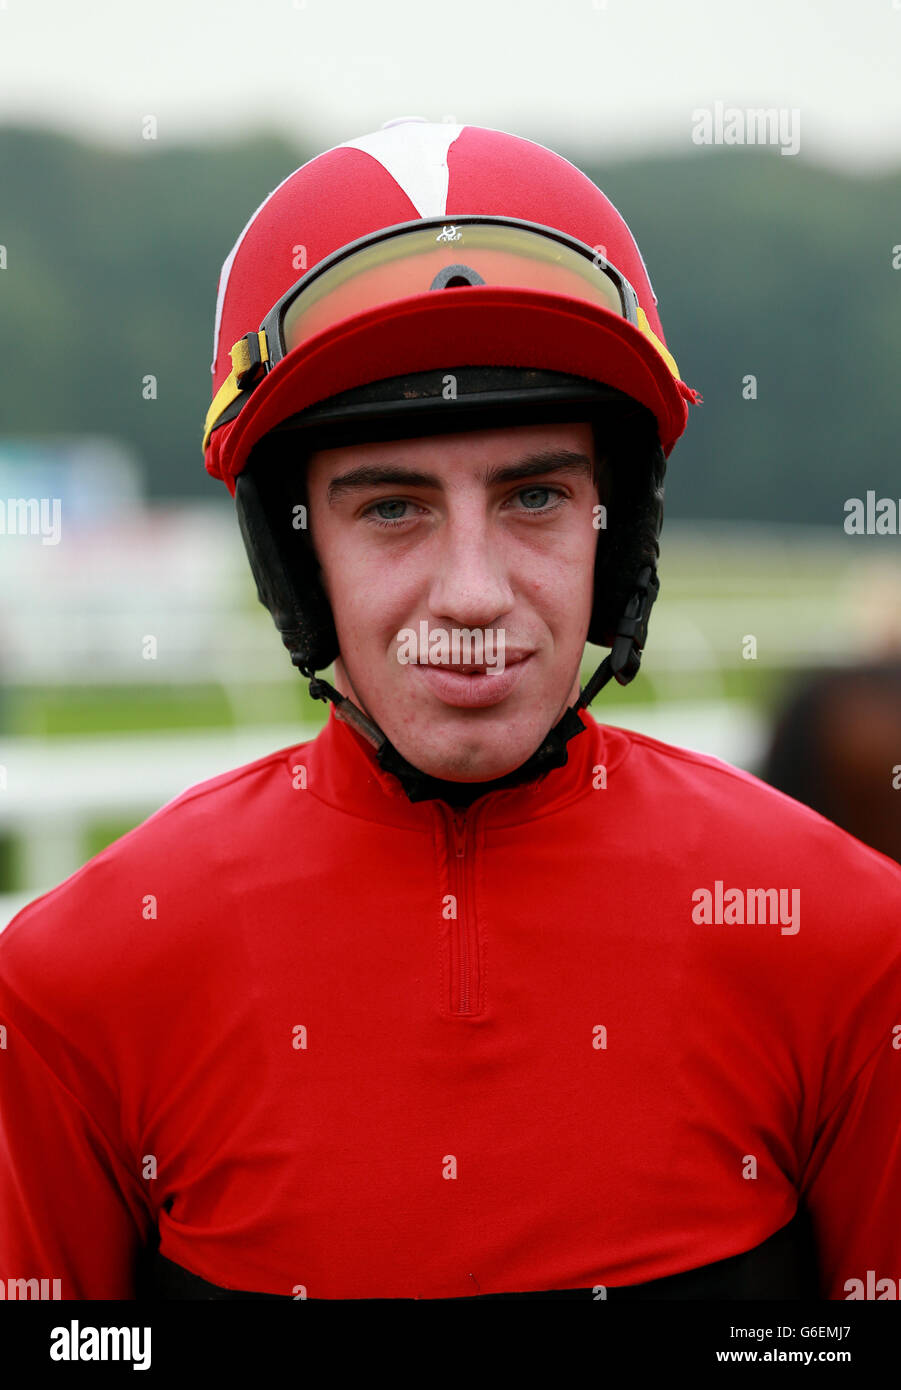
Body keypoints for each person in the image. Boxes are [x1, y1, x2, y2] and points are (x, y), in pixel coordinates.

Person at [1, 119, 900, 1302]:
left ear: (614, 532)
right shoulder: (68, 982)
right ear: (296, 553)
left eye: (534, 495)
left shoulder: (851, 939)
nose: (472, 592)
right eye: (390, 507)